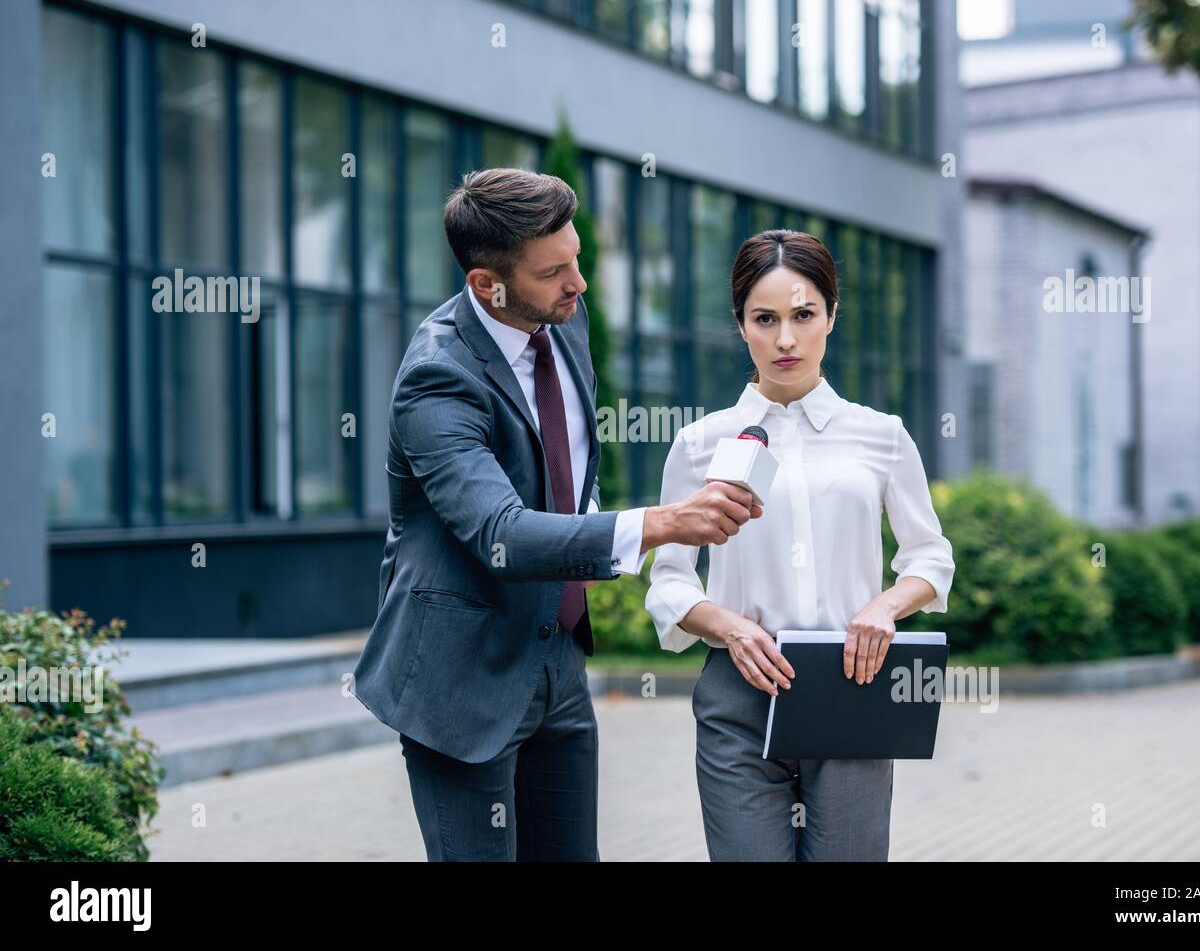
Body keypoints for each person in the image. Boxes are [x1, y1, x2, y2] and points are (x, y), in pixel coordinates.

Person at [352, 168, 762, 861]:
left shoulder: (562, 326)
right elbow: (502, 533)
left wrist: (595, 534)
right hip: (463, 678)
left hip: (558, 662)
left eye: (576, 257)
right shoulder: (436, 380)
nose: (580, 283)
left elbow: (572, 469)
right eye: (555, 272)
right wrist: (665, 522)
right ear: (489, 284)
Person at [645, 229, 956, 861]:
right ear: (741, 326)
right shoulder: (701, 444)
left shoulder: (882, 436)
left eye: (803, 315)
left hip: (851, 684)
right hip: (738, 692)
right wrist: (728, 626)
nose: (785, 339)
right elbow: (670, 580)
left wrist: (885, 608)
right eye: (765, 319)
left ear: (831, 317)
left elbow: (931, 558)